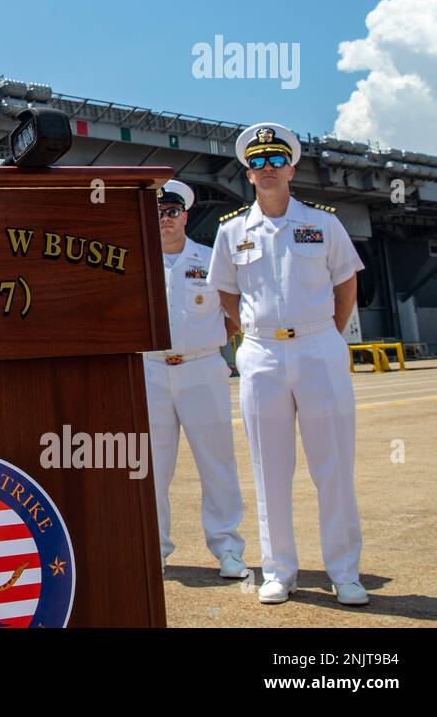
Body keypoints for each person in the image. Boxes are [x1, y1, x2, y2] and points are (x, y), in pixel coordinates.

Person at [208, 122, 367, 606]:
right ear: (248, 172)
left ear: (292, 168)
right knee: (268, 467)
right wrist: (258, 338)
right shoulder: (232, 230)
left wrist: (323, 335)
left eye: (277, 160)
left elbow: (346, 285)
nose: (268, 168)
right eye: (258, 162)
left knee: (333, 466)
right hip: (260, 353)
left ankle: (345, 573)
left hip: (319, 347)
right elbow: (226, 295)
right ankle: (279, 570)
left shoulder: (324, 223)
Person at [143, 179, 246, 579]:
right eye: (156, 213)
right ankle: (157, 548)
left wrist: (214, 340)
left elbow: (234, 313)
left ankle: (228, 548)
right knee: (152, 466)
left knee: (216, 461)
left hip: (202, 367)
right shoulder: (136, 260)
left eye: (170, 212)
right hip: (150, 370)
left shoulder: (211, 259)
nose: (164, 219)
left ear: (184, 216)